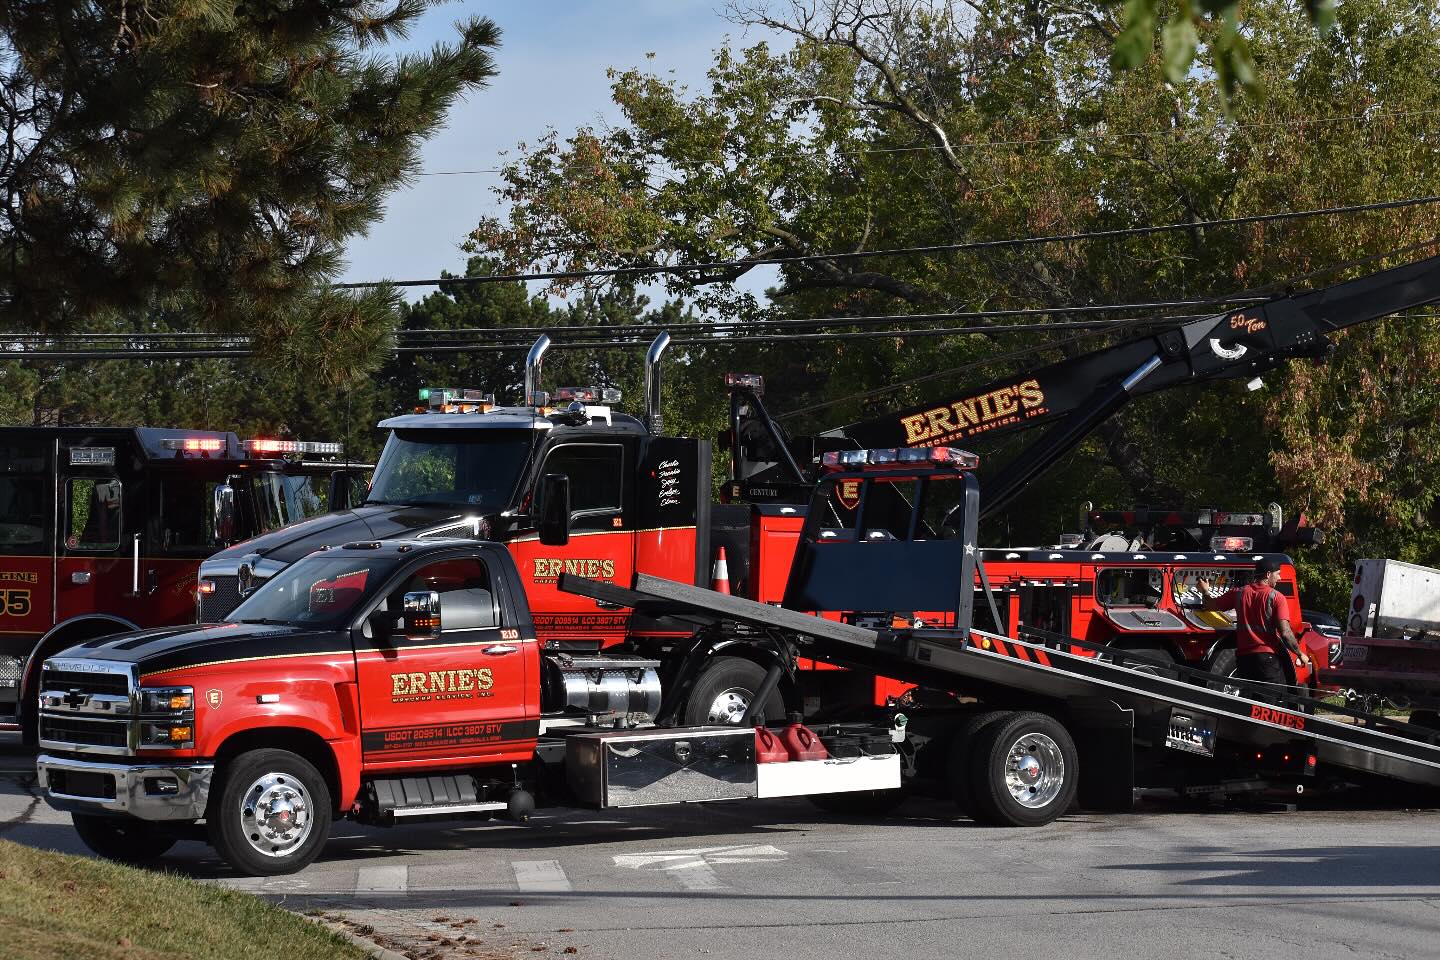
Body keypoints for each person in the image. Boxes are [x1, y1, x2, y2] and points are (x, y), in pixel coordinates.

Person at [1199, 558, 1312, 697]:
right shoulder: (1276, 597)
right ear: (1268, 574)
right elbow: (1286, 633)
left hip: (1244, 659)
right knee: (1269, 704)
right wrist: (1300, 654)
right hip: (1266, 659)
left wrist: (1205, 591)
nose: (1280, 578)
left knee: (1248, 701)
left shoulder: (1239, 593)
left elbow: (1210, 605)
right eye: (1278, 573)